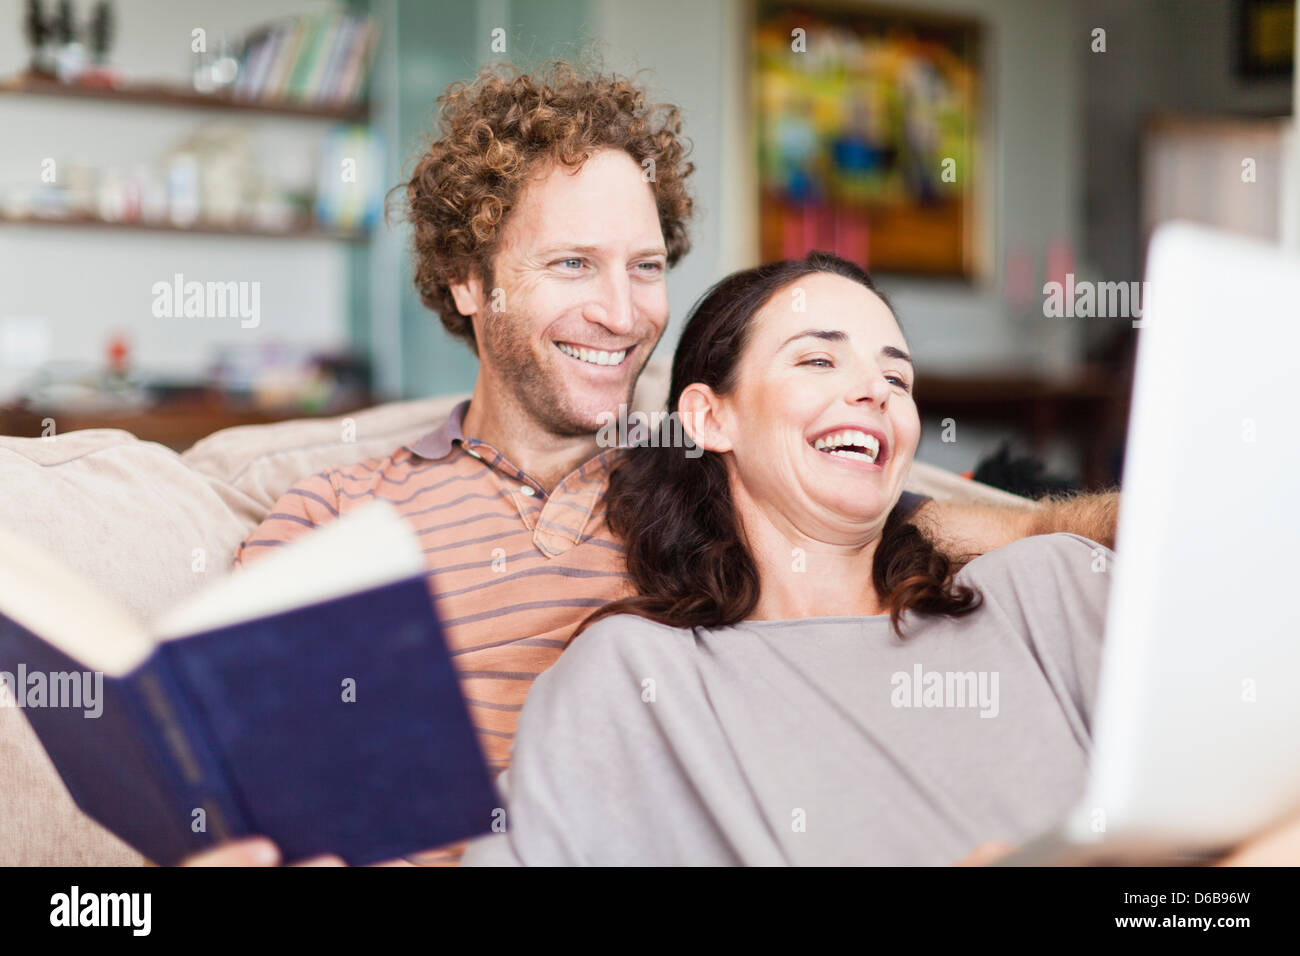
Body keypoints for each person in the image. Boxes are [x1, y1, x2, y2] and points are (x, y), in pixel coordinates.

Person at [199, 62, 1118, 867]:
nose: (622, 311)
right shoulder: (334, 516)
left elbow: (967, 530)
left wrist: (1062, 526)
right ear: (468, 282)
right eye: (572, 264)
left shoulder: (721, 475)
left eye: (645, 267)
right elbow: (250, 784)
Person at [445, 252, 1285, 865]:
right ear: (709, 418)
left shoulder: (1047, 588)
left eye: (898, 376)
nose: (875, 391)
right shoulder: (635, 679)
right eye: (818, 359)